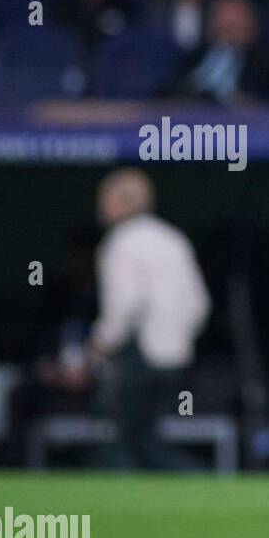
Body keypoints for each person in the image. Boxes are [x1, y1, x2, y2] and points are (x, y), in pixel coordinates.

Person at [88, 168, 211, 469]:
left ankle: (124, 504)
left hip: (138, 357)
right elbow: (199, 304)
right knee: (148, 440)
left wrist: (101, 343)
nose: (100, 206)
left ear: (123, 202)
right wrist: (176, 341)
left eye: (105, 198)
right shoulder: (172, 239)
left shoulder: (121, 241)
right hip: (175, 360)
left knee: (116, 441)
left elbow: (126, 303)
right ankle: (200, 486)